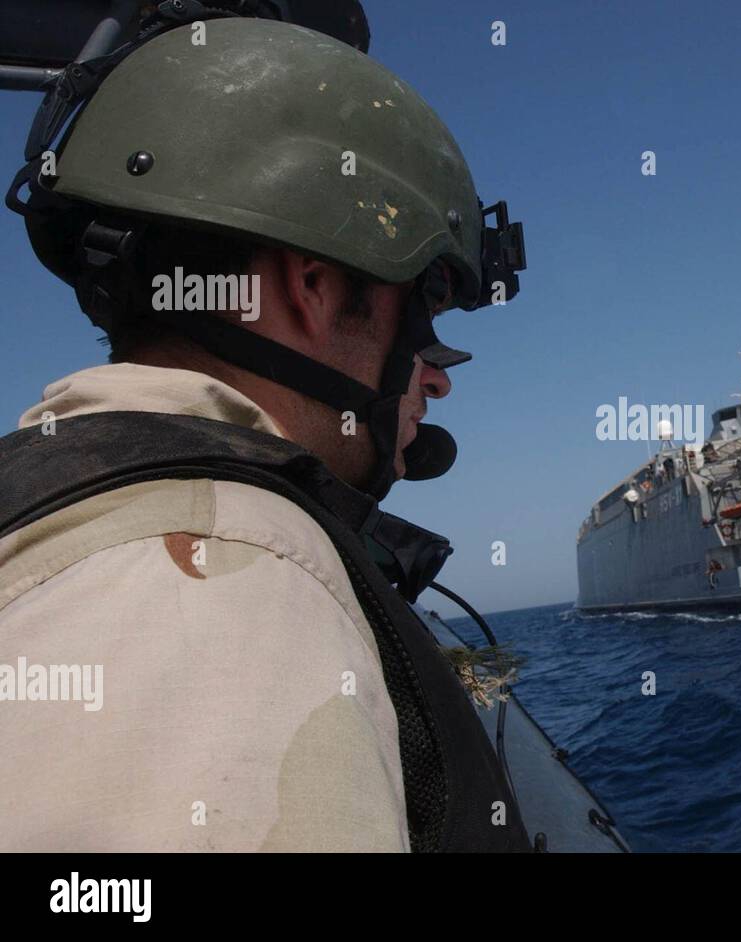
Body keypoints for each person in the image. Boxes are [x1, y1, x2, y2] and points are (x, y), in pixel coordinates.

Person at [0, 12, 528, 851]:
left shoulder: (62, 495)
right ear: (312, 285)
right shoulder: (231, 586)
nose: (437, 376)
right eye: (421, 303)